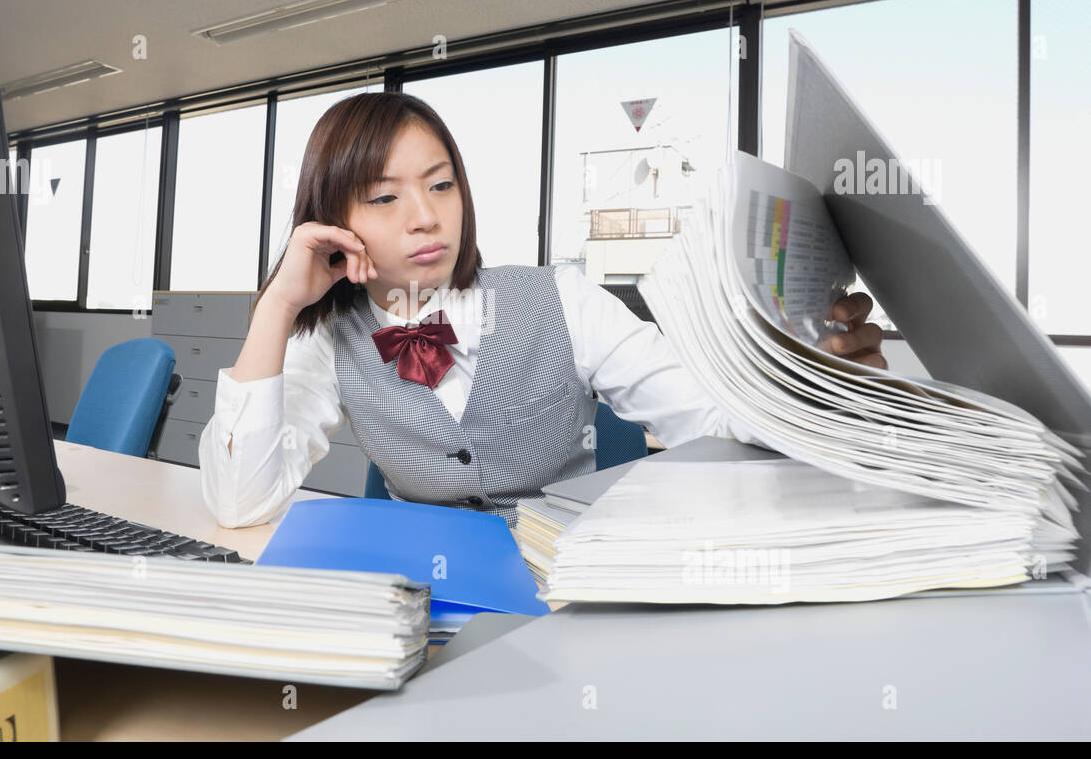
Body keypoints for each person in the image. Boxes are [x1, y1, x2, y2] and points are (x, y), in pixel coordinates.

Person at [199, 92, 885, 528]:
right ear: (331, 221)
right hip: (423, 605)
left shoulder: (563, 298)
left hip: (565, 589)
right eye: (384, 198)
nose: (425, 216)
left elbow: (708, 414)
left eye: (441, 185)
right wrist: (279, 304)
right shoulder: (330, 340)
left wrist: (816, 386)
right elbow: (240, 502)